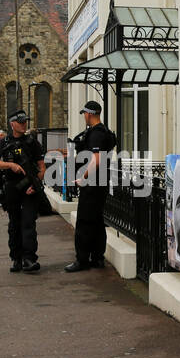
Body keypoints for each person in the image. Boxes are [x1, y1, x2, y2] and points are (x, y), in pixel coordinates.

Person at [0, 110, 45, 273]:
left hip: (29, 187)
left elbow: (42, 167)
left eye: (25, 121)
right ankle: (16, 258)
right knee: (14, 224)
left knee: (28, 222)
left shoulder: (32, 142)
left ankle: (29, 258)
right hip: (12, 188)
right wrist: (11, 165)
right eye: (20, 122)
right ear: (12, 123)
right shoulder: (4, 142)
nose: (24, 124)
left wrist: (35, 185)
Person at [67, 100, 117, 272]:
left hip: (93, 184)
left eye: (84, 114)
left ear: (88, 114)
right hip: (100, 183)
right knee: (96, 221)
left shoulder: (96, 134)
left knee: (83, 222)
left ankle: (82, 260)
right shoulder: (104, 132)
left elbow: (96, 159)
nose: (84, 118)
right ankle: (97, 258)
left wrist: (82, 176)